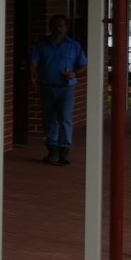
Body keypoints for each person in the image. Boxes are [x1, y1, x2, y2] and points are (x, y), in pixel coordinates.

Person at [26, 13, 88, 166]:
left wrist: (74, 73)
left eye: (61, 26)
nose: (57, 29)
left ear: (66, 28)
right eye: (55, 26)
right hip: (47, 87)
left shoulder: (74, 46)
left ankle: (64, 150)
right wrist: (32, 76)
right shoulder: (41, 45)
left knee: (65, 118)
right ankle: (52, 149)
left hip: (66, 88)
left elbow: (84, 66)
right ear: (50, 27)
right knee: (49, 119)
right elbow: (34, 62)